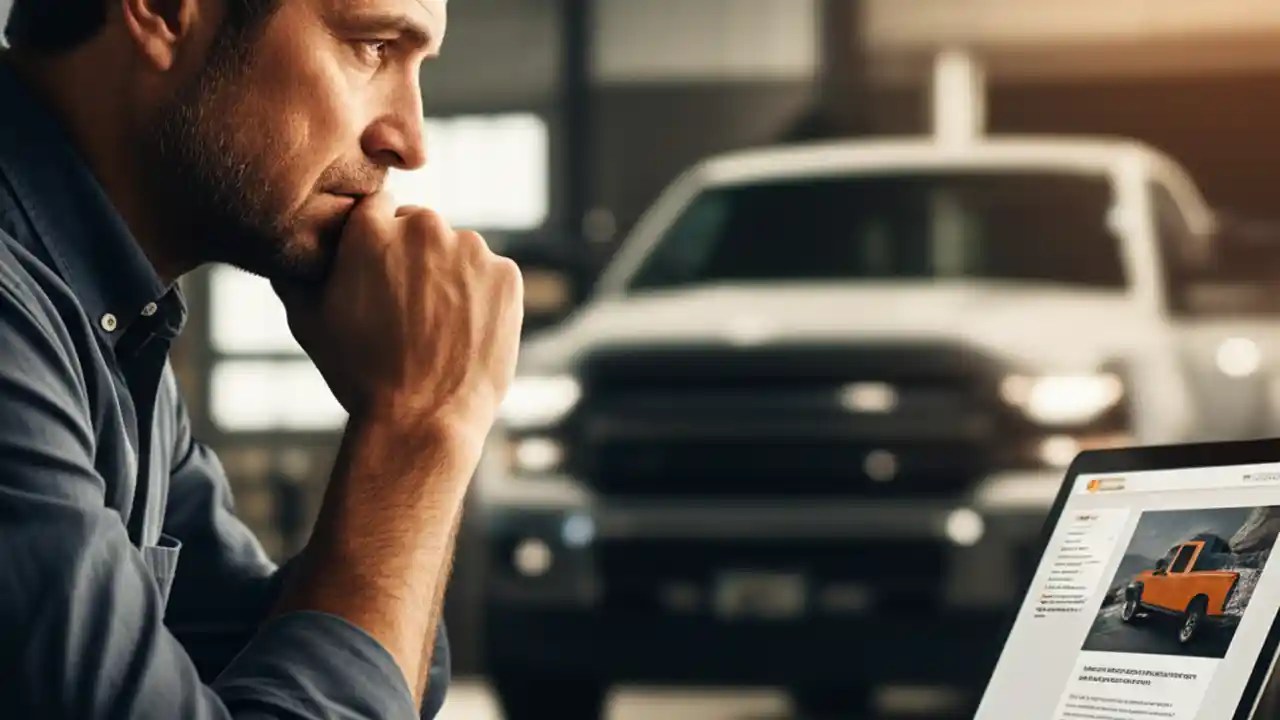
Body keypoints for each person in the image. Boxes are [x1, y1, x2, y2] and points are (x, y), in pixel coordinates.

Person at [0, 0, 523, 717]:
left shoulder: (113, 324)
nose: (409, 140)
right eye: (370, 48)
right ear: (159, 12)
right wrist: (420, 427)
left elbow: (321, 657)